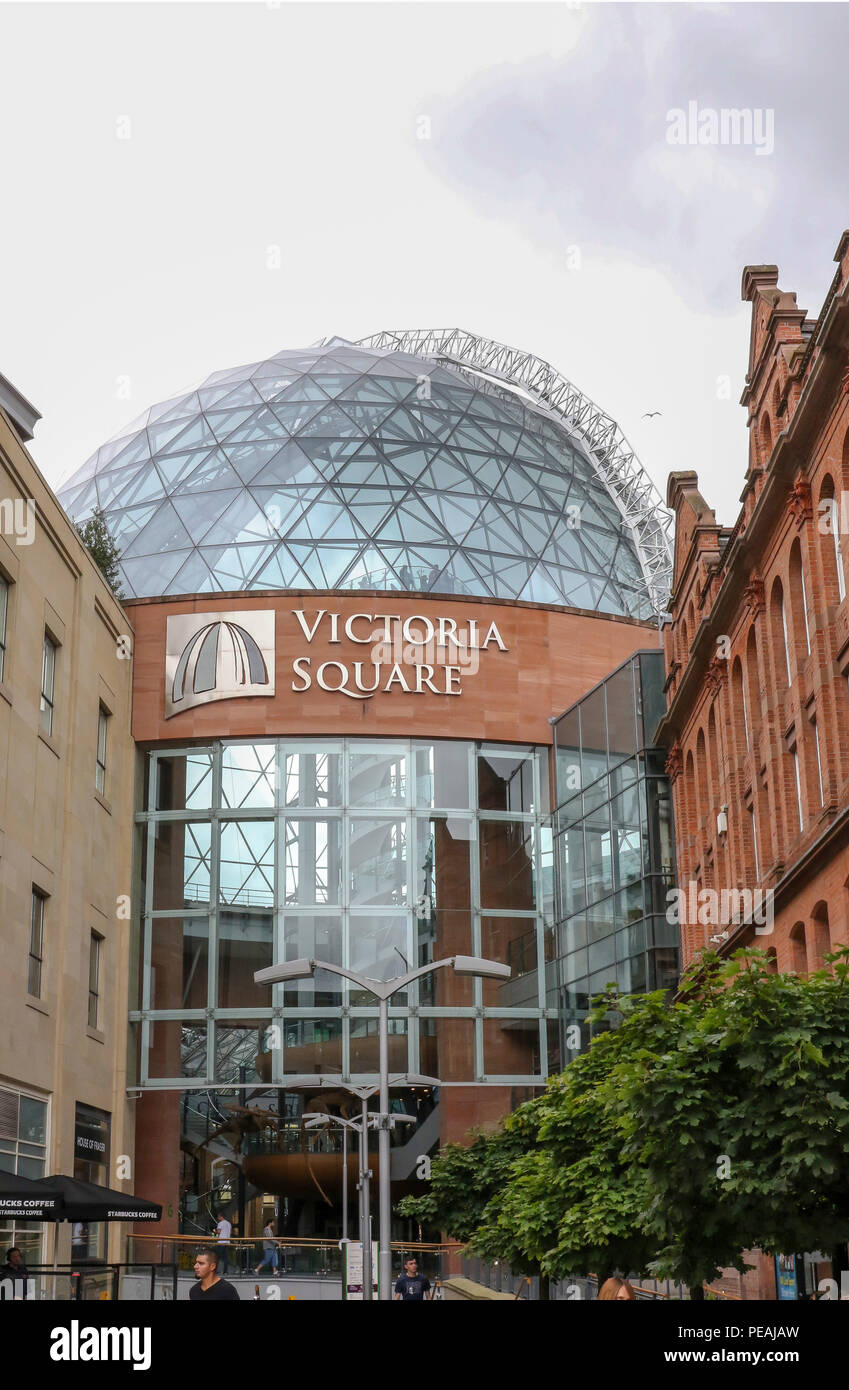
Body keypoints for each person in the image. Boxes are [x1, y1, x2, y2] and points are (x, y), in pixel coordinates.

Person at [214, 1210, 232, 1275]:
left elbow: (218, 1232)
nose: (218, 1218)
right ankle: (225, 1271)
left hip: (221, 1242)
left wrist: (215, 1231)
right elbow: (230, 1232)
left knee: (217, 1256)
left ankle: (216, 1270)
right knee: (225, 1257)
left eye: (218, 1217)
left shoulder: (220, 1223)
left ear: (221, 1217)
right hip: (227, 1242)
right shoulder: (229, 1223)